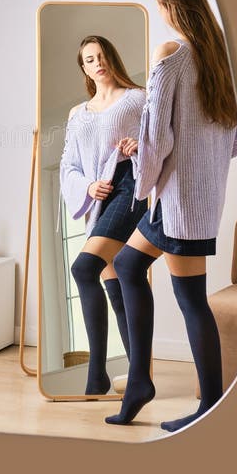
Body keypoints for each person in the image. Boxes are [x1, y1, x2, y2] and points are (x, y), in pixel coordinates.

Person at [105, 0, 237, 430]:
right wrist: (202, 157)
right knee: (127, 265)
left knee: (190, 301)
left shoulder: (171, 55)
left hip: (177, 203)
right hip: (200, 200)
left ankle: (208, 406)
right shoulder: (222, 58)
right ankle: (143, 382)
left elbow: (158, 139)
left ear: (168, 7)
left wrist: (141, 176)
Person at [59, 35, 148, 395]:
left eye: (101, 55)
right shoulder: (77, 115)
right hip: (100, 196)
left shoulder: (137, 98)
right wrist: (87, 185)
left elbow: (164, 137)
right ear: (84, 68)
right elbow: (68, 164)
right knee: (115, 288)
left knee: (83, 268)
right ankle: (140, 377)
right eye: (89, 59)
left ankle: (96, 375)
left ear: (111, 57)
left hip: (128, 187)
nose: (97, 63)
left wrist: (142, 145)